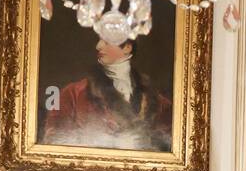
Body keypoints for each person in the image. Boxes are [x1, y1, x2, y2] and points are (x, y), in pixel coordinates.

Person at [41, 36, 173, 151]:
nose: (98, 46)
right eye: (99, 40)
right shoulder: (72, 93)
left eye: (106, 41)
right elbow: (54, 140)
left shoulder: (159, 103)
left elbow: (170, 146)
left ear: (127, 47)